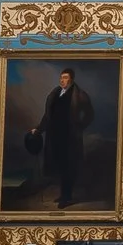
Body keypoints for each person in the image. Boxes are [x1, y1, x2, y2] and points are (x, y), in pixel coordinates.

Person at [34, 67, 94, 207]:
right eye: (61, 78)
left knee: (69, 166)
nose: (62, 80)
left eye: (65, 78)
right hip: (55, 136)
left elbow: (89, 114)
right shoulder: (55, 93)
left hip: (70, 137)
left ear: (71, 79)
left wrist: (79, 127)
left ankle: (66, 198)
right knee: (60, 166)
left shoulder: (80, 95)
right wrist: (38, 129)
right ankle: (63, 195)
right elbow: (47, 115)